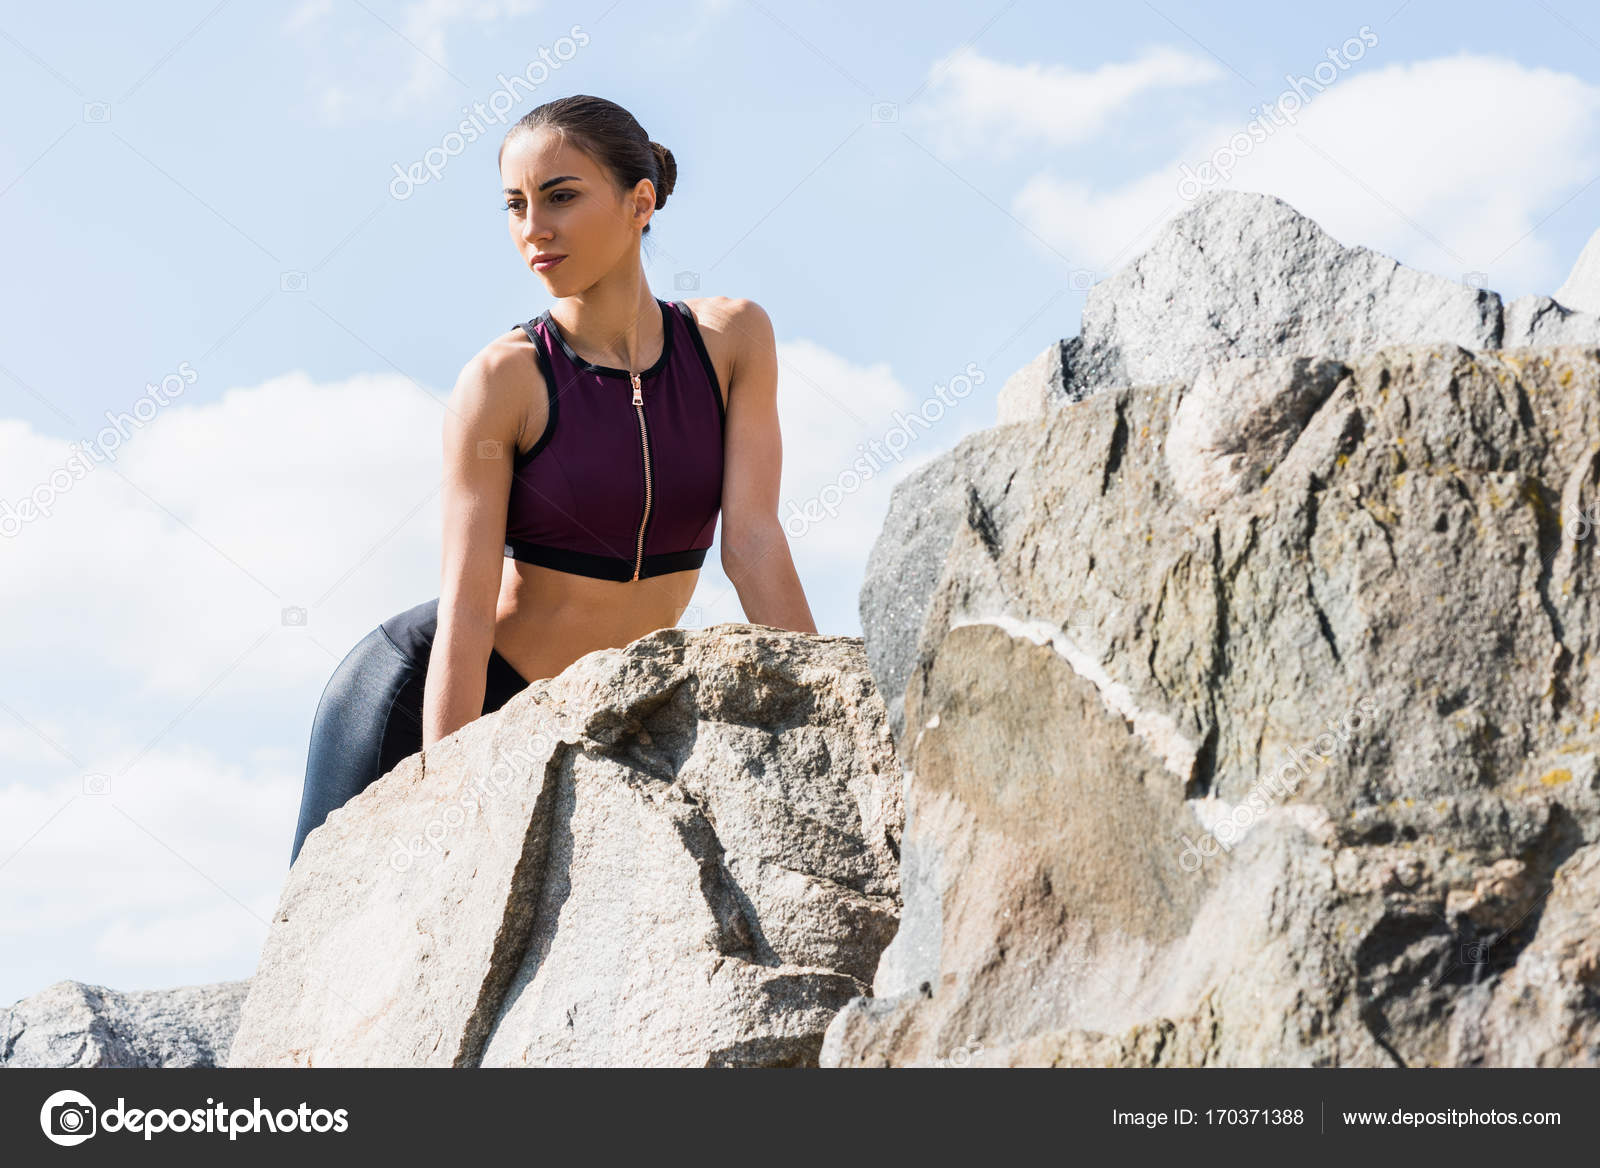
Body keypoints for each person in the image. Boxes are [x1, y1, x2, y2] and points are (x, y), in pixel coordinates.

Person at [289, 94, 816, 867]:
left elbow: (754, 545)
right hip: (434, 696)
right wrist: (450, 789)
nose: (534, 228)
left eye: (561, 196)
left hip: (596, 709)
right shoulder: (505, 379)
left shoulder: (732, 340)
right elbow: (468, 610)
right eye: (516, 204)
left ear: (641, 202)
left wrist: (826, 713)